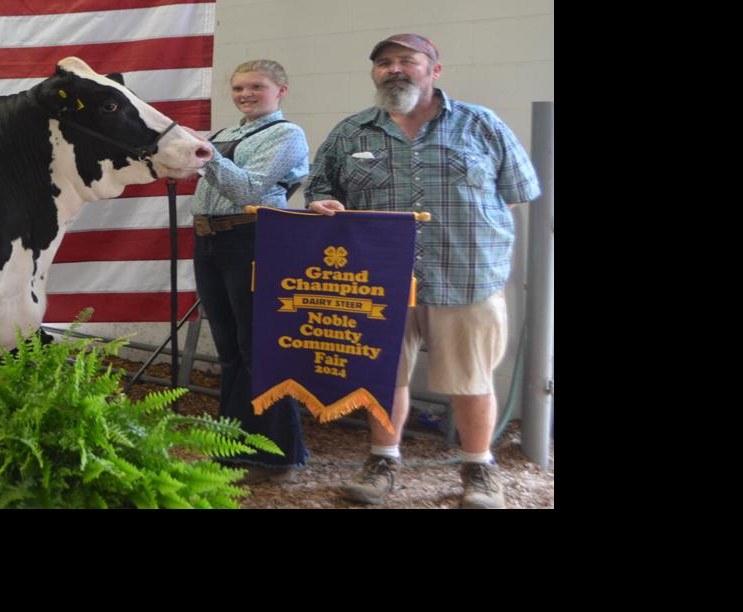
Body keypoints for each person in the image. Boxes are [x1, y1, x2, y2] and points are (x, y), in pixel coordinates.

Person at [306, 34, 541, 509]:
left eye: (407, 61)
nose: (394, 69)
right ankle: (382, 461)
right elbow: (319, 188)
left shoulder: (481, 124)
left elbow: (518, 192)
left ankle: (479, 469)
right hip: (377, 281)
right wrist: (320, 202)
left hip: (466, 275)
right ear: (375, 73)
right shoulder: (351, 132)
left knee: (472, 379)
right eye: (384, 63)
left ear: (434, 70)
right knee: (382, 377)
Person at [191, 59, 311, 479]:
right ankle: (232, 445)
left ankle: (275, 454)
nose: (245, 95)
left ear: (281, 90)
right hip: (209, 238)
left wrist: (204, 154)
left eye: (256, 87)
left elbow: (247, 189)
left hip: (252, 238)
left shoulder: (286, 134)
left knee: (257, 347)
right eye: (239, 88)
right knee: (228, 347)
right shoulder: (224, 134)